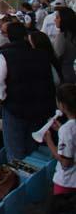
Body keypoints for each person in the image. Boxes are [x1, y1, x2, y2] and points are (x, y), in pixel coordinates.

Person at [0, 21, 57, 161]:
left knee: (15, 151)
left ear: (9, 37)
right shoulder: (41, 55)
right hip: (38, 107)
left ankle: (17, 179)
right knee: (32, 149)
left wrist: (0, 98)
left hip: (14, 108)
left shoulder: (4, 55)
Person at [45, 83, 76, 213]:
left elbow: (65, 162)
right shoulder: (66, 129)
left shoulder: (67, 129)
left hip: (66, 183)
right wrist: (60, 131)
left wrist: (49, 142)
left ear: (62, 105)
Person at [53, 7, 76, 84]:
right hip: (71, 73)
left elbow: (55, 57)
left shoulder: (62, 37)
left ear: (64, 19)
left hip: (62, 75)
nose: (55, 20)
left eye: (57, 17)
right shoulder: (72, 35)